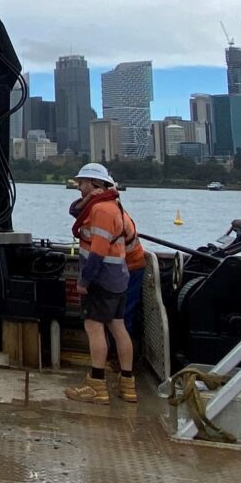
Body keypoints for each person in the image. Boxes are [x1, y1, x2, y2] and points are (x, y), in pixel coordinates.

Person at [62, 162, 144, 405]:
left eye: (82, 183)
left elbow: (97, 251)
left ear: (94, 184)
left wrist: (84, 281)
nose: (79, 187)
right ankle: (127, 384)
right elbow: (75, 212)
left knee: (94, 327)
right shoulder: (110, 205)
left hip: (102, 280)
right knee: (118, 327)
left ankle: (97, 384)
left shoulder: (102, 211)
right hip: (119, 277)